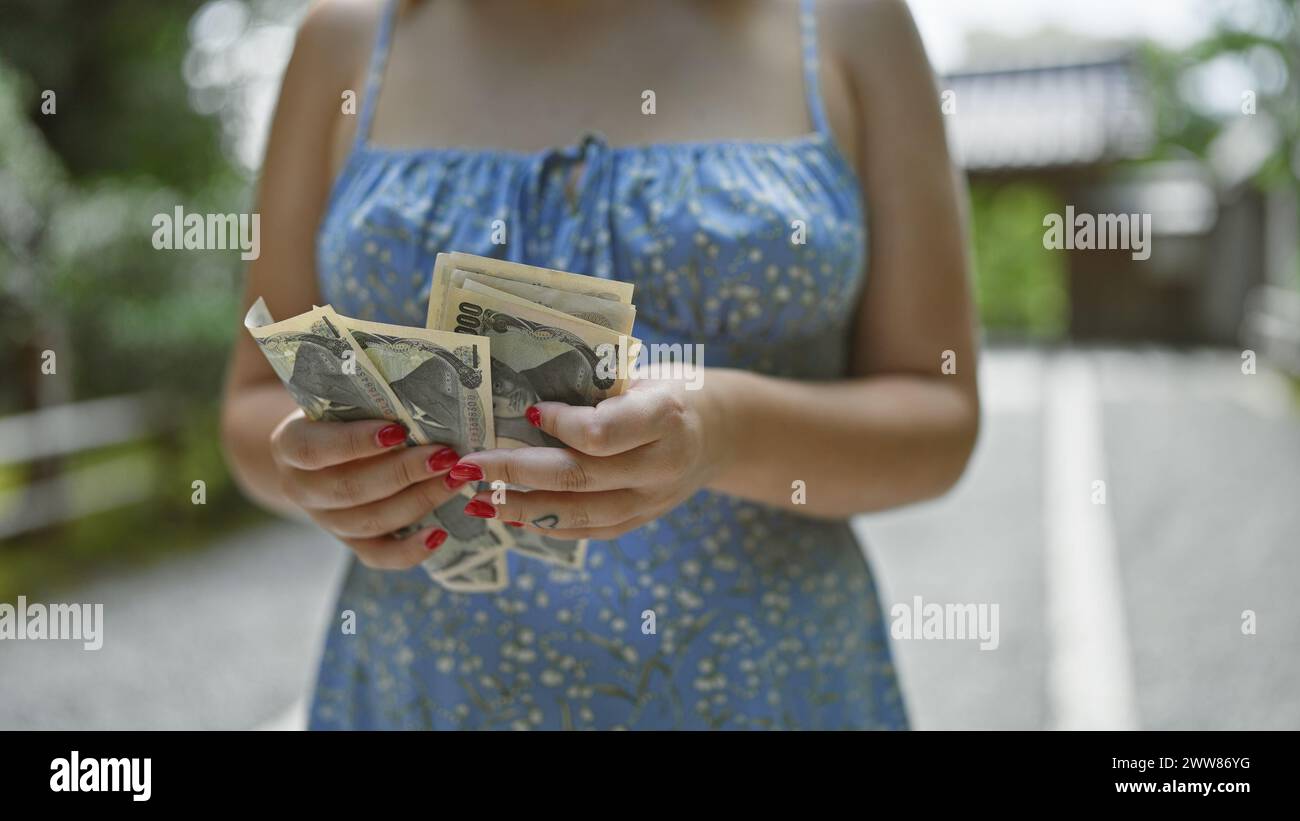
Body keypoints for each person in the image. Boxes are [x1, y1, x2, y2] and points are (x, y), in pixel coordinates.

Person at [220, 0, 979, 730]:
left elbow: (939, 410)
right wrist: (317, 465)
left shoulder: (850, 23)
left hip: (767, 686)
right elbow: (255, 402)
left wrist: (726, 431)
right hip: (422, 688)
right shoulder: (342, 40)